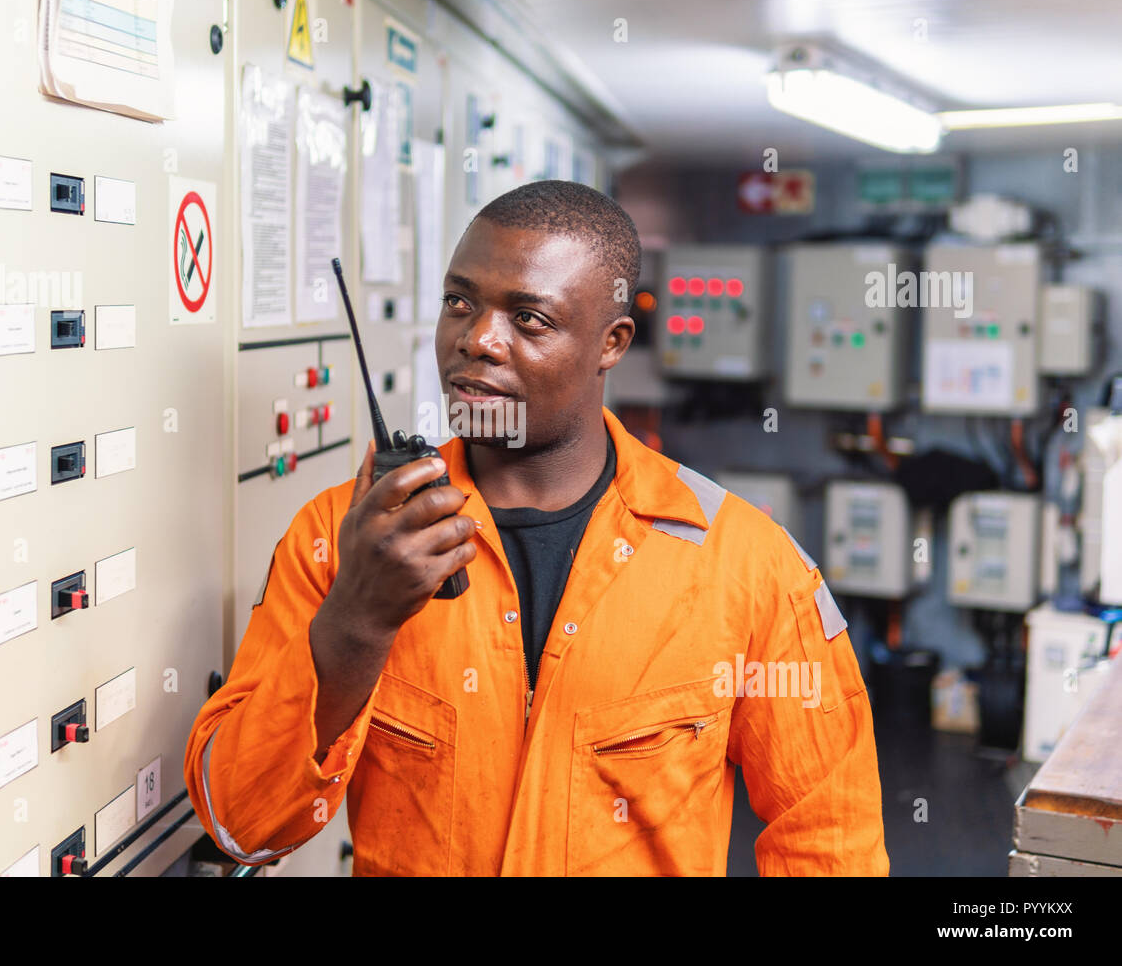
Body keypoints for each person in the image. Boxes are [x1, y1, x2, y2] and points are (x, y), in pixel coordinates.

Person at [185, 180, 890, 876]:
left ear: (610, 344)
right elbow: (240, 825)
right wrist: (357, 622)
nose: (477, 339)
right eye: (460, 302)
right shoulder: (344, 537)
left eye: (529, 318)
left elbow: (829, 841)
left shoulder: (747, 566)